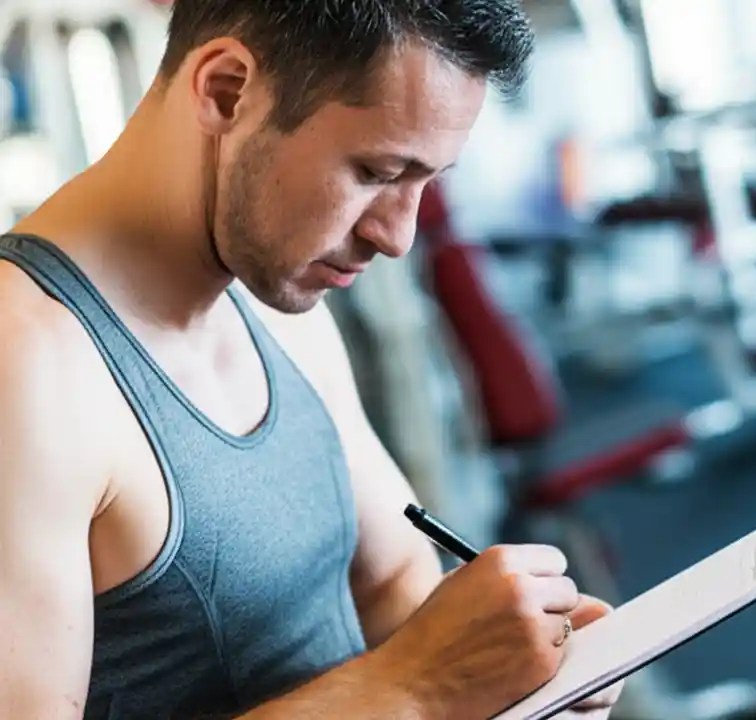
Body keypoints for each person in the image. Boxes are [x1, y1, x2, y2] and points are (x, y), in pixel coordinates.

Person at [0, 1, 623, 718]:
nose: (398, 236)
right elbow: (414, 673)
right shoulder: (26, 363)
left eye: (425, 182)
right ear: (227, 91)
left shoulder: (273, 293)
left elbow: (393, 581)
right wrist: (416, 684)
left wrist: (514, 671)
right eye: (377, 171)